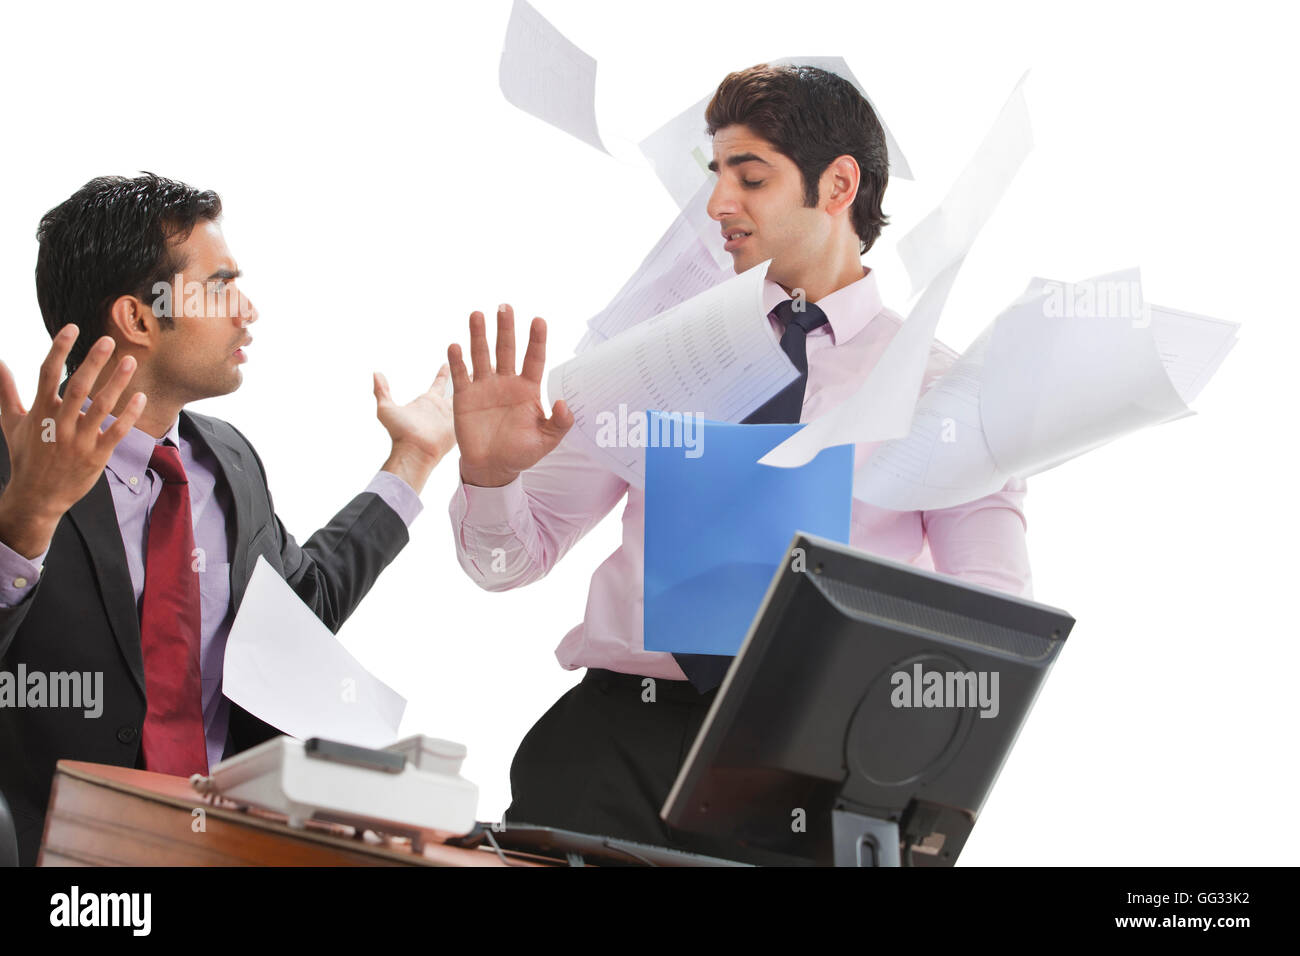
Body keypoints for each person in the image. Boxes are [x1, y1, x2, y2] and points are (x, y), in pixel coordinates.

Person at [447, 64, 1032, 849]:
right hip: (608, 754)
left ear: (837, 185)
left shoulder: (944, 391)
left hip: (812, 776)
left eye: (749, 177)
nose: (720, 203)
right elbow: (506, 562)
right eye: (716, 173)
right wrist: (493, 478)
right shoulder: (658, 350)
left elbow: (993, 636)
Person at [0, 174, 456, 866]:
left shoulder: (227, 461)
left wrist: (412, 462)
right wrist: (25, 523)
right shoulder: (17, 459)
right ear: (140, 318)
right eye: (219, 286)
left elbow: (304, 604)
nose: (248, 311)